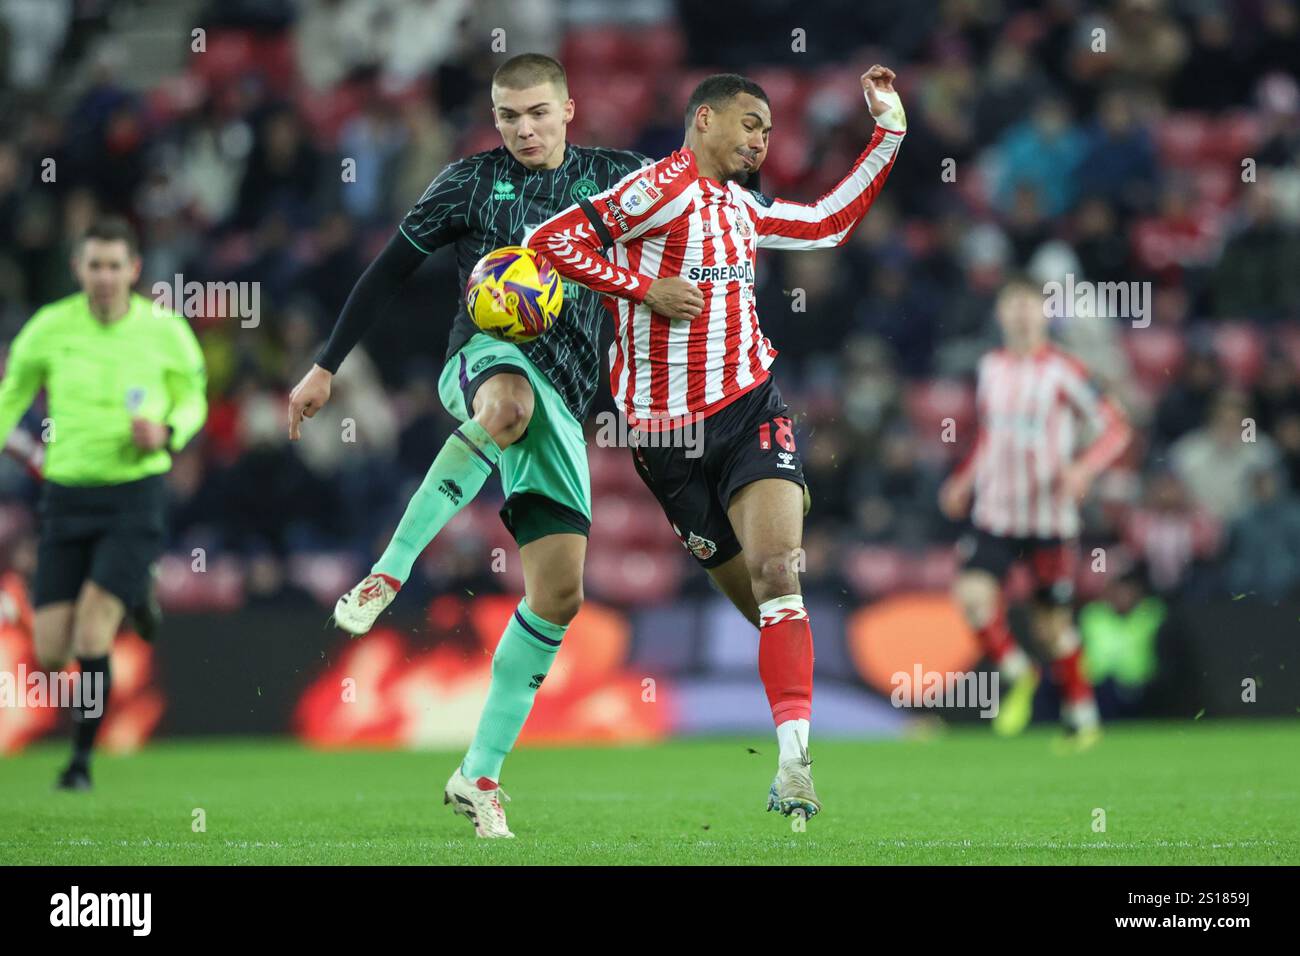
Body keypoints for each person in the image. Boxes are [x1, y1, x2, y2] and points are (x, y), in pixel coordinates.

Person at [286, 54, 666, 838]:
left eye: (536, 112)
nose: (523, 128)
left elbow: (704, 211)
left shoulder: (622, 179)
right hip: (484, 361)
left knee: (558, 596)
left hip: (567, 402)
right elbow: (388, 272)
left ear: (569, 107)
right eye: (507, 116)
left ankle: (477, 776)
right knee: (507, 400)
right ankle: (388, 572)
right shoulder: (466, 183)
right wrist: (325, 367)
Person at [528, 66, 908, 821]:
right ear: (703, 120)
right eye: (749, 124)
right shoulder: (653, 192)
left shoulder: (739, 205)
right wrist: (641, 288)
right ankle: (791, 729)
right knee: (761, 607)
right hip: (664, 443)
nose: (761, 139)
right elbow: (551, 240)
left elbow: (829, 224)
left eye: (768, 129)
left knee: (778, 574)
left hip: (749, 410)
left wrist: (889, 131)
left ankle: (796, 767)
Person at [0, 216, 207, 789]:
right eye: (95, 265)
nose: (106, 276)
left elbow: (194, 399)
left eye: (116, 265)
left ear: (134, 270)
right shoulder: (48, 328)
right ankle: (139, 591)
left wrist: (167, 431)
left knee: (92, 637)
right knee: (48, 651)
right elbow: (10, 397)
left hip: (133, 498)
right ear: (78, 269)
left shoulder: (164, 330)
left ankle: (80, 762)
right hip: (64, 498)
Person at [938, 277, 1132, 751]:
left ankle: (1082, 719)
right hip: (996, 515)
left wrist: (1084, 469)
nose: (1022, 314)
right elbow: (990, 435)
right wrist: (964, 478)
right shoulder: (990, 368)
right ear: (1002, 314)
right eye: (1013, 305)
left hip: (1048, 520)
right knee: (972, 597)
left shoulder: (1065, 371)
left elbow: (1116, 427)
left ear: (1044, 313)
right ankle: (1018, 671)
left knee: (1052, 627)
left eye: (1030, 305)